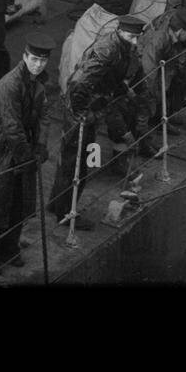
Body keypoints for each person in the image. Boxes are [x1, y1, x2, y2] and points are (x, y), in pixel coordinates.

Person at [48, 15, 150, 230]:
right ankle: (66, 214)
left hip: (91, 105)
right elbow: (79, 83)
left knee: (70, 158)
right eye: (131, 36)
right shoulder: (107, 49)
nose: (134, 41)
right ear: (120, 31)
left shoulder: (121, 47)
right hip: (82, 110)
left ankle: (56, 204)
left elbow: (110, 77)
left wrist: (123, 90)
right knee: (76, 163)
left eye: (136, 37)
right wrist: (83, 114)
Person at [0, 31, 55, 271]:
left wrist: (41, 145)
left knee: (20, 203)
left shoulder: (39, 83)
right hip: (2, 150)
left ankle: (10, 249)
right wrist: (28, 158)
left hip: (25, 147)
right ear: (25, 56)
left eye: (42, 61)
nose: (38, 65)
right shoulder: (9, 84)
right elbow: (11, 127)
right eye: (34, 59)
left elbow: (44, 116)